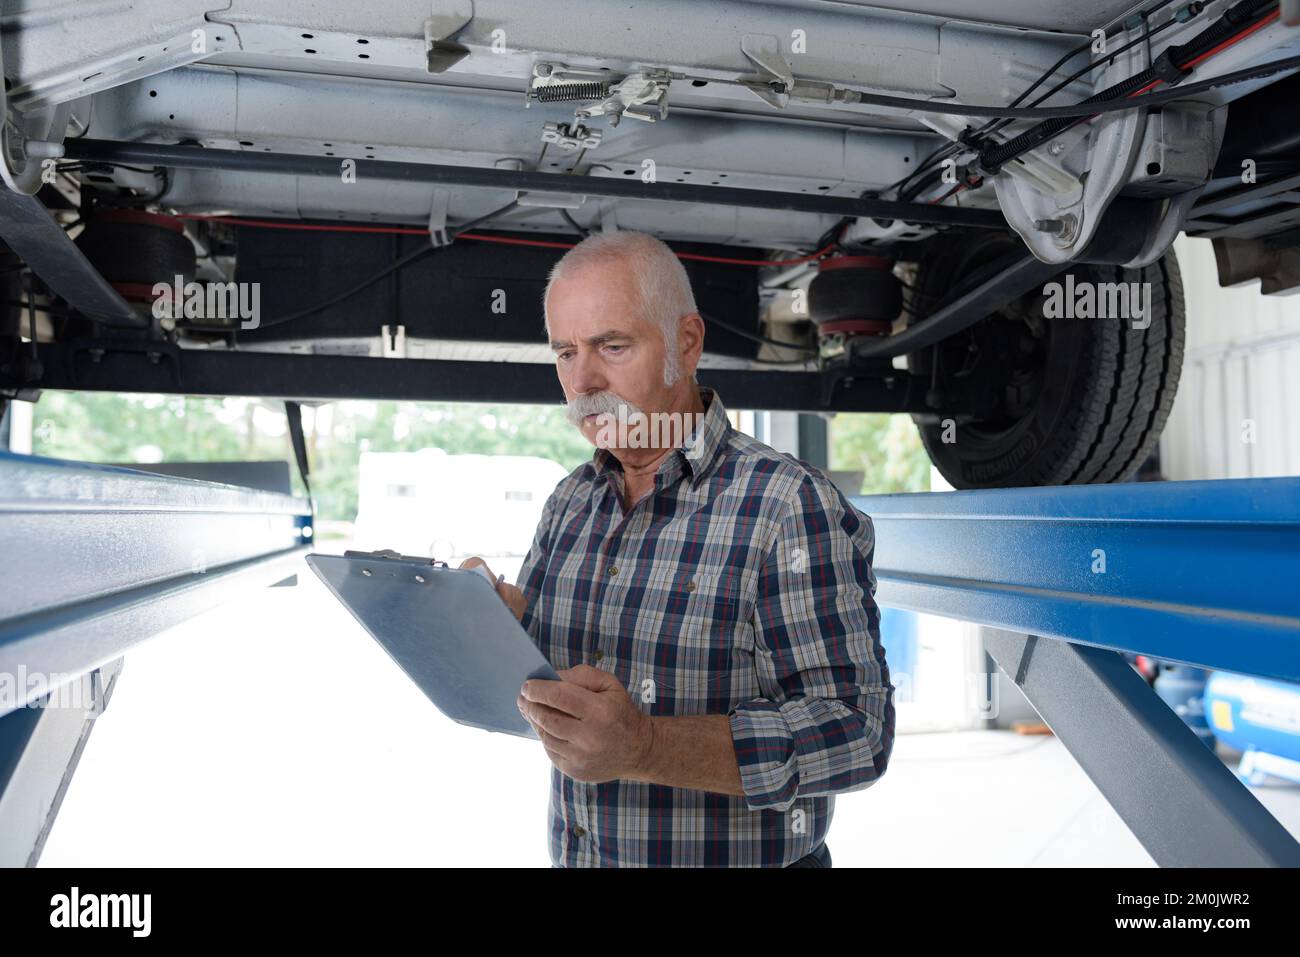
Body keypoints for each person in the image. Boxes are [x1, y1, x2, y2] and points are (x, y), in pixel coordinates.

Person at [462, 230, 894, 867]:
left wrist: (645, 746)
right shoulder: (570, 502)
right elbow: (561, 688)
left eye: (612, 345)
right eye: (564, 352)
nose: (582, 381)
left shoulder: (786, 504)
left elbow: (858, 736)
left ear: (686, 342)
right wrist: (498, 626)